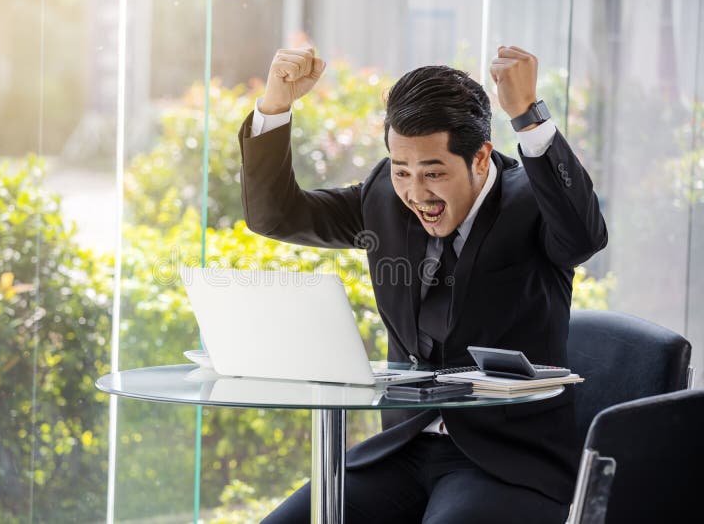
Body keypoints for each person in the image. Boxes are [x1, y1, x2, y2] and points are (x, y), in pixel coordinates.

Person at [237, 45, 607, 523]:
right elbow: (276, 216)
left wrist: (528, 116)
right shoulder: (384, 198)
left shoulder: (536, 205)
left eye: (434, 173)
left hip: (506, 463)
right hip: (400, 450)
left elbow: (583, 237)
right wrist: (275, 107)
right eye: (401, 170)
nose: (415, 193)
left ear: (480, 159)